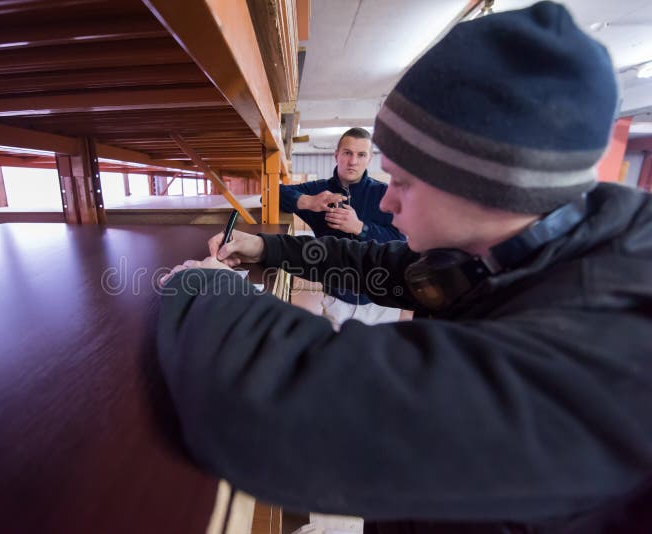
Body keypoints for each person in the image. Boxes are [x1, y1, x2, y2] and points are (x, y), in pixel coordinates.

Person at [157, 2, 652, 532]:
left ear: (488, 188)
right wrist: (268, 250)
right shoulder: (522, 245)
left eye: (403, 182)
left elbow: (296, 408)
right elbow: (387, 265)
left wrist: (204, 285)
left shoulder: (616, 343)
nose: (388, 203)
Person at [279, 128, 403, 328]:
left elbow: (401, 243)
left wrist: (360, 228)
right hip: (337, 299)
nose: (353, 161)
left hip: (382, 302)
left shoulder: (385, 194)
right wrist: (309, 201)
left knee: (377, 357)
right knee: (337, 356)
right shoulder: (319, 191)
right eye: (347, 153)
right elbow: (273, 194)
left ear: (369, 159)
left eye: (361, 155)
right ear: (337, 155)